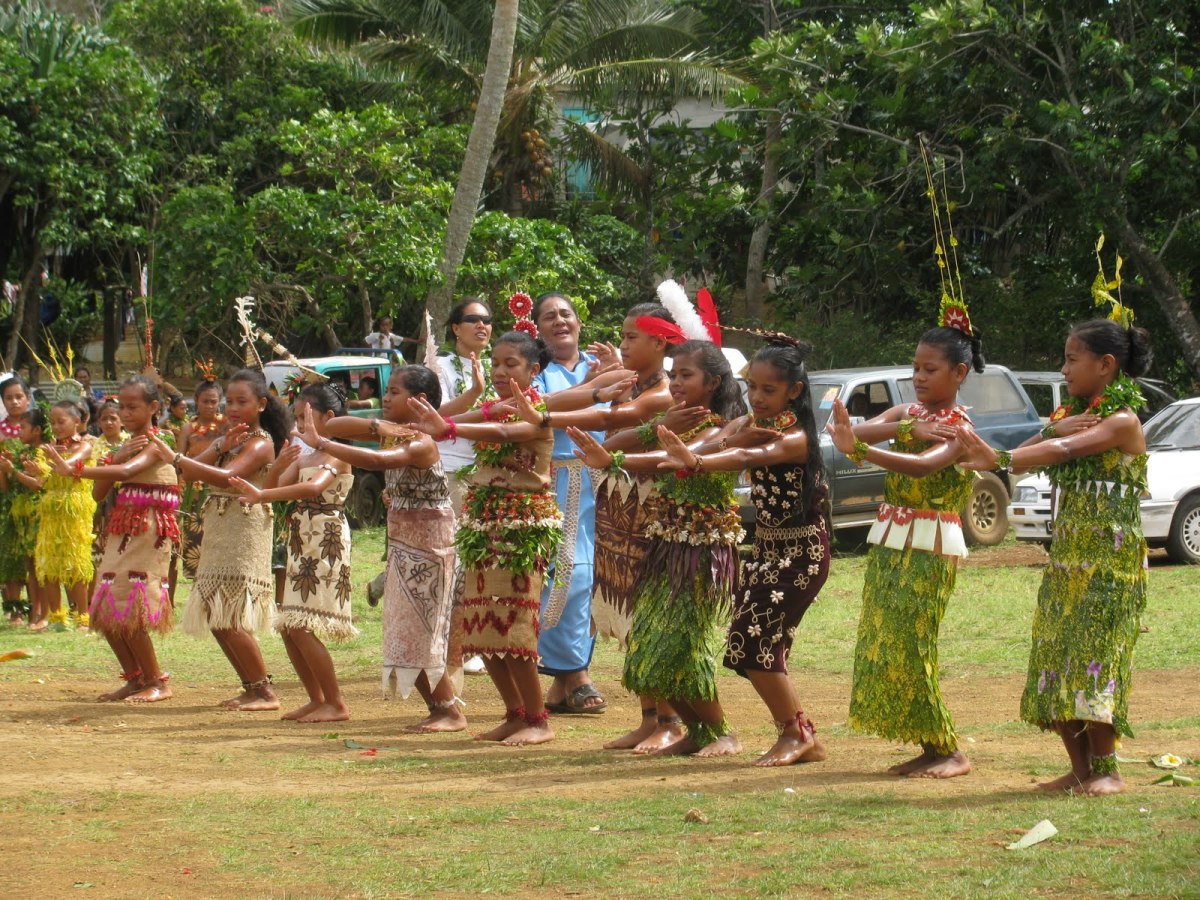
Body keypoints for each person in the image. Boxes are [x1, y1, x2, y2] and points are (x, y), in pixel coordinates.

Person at [957, 317, 1152, 795]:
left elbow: (1064, 450)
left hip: (1110, 565)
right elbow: (1047, 442)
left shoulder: (1122, 420)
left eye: (1071, 359)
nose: (1062, 369)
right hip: (1066, 561)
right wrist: (1048, 425)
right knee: (1055, 655)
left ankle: (1108, 769)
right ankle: (1081, 769)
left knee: (1093, 658)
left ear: (1106, 366)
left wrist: (999, 457)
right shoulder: (1073, 413)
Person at [509, 302, 707, 746]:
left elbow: (610, 424)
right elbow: (607, 422)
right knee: (625, 608)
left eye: (632, 337)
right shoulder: (635, 384)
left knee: (642, 614)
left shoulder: (660, 395)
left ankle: (671, 721)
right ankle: (651, 718)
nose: (623, 344)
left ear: (659, 343)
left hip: (651, 510)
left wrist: (545, 416)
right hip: (622, 504)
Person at [565, 340, 748, 757]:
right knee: (650, 646)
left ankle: (722, 732)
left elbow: (677, 459)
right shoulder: (678, 418)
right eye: (675, 374)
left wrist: (615, 461)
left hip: (703, 549)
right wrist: (612, 449)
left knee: (682, 643)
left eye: (686, 375)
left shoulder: (731, 424)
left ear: (714, 381)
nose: (677, 382)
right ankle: (697, 732)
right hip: (665, 543)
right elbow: (638, 437)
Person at [655, 335, 832, 766]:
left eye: (768, 389)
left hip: (800, 556)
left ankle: (797, 733)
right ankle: (800, 735)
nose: (756, 396)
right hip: (766, 553)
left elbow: (747, 457)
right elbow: (725, 444)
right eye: (751, 386)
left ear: (795, 390)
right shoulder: (752, 424)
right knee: (752, 645)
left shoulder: (796, 437)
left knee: (753, 644)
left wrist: (697, 462)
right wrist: (705, 447)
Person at [826, 325, 983, 779]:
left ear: (958, 373)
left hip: (932, 545)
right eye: (915, 367)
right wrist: (892, 428)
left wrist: (861, 447)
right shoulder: (911, 412)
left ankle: (950, 748)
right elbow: (866, 430)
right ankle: (930, 745)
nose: (918, 376)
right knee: (887, 640)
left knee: (915, 644)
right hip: (893, 540)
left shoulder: (961, 429)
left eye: (929, 369)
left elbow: (921, 467)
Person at [402, 330, 561, 746]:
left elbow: (505, 435)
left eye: (512, 364)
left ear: (534, 370)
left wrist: (449, 428)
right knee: (480, 627)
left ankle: (539, 719)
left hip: (522, 527)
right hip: (484, 526)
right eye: (496, 363)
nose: (502, 370)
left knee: (514, 626)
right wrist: (443, 424)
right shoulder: (496, 408)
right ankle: (515, 714)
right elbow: (471, 421)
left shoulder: (537, 412)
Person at [297, 366, 464, 732]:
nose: (385, 398)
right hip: (404, 542)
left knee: (419, 630)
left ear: (419, 401)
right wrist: (380, 427)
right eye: (386, 392)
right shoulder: (395, 434)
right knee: (402, 629)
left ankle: (449, 710)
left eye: (394, 392)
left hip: (430, 547)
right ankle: (440, 708)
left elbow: (375, 461)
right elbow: (335, 425)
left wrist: (323, 445)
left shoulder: (421, 443)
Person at [153, 369, 288, 711]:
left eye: (242, 401)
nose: (233, 407)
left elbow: (228, 478)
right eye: (231, 401)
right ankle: (251, 687)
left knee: (229, 614)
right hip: (220, 528)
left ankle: (265, 692)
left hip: (243, 531)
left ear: (261, 404)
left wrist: (177, 457)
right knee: (217, 614)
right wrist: (217, 446)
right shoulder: (231, 439)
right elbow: (188, 471)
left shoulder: (261, 442)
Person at [42, 375, 177, 702]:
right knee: (107, 602)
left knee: (130, 600)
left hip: (148, 529)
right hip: (122, 528)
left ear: (154, 407)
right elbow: (101, 491)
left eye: (134, 407)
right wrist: (114, 457)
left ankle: (156, 681)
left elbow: (127, 474)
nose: (126, 414)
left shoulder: (158, 441)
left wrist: (74, 470)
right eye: (123, 407)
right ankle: (135, 678)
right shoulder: (123, 447)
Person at [230, 383, 356, 724]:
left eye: (305, 417)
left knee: (301, 625)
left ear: (329, 418)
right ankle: (317, 699)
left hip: (325, 539)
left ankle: (335, 702)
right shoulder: (306, 455)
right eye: (296, 418)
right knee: (290, 625)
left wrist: (261, 496)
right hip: (302, 537)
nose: (298, 425)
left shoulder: (337, 453)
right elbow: (273, 487)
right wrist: (277, 466)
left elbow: (312, 488)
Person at [527, 292, 606, 714]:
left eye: (566, 313)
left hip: (607, 485)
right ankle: (576, 674)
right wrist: (597, 388)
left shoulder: (604, 367)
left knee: (596, 579)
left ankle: (562, 684)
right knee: (568, 576)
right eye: (549, 316)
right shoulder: (537, 374)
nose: (559, 320)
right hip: (562, 483)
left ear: (579, 321)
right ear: (538, 328)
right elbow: (537, 408)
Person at [32, 401, 98, 630]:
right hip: (52, 512)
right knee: (49, 562)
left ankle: (82, 616)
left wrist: (54, 459)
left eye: (62, 422)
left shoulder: (86, 446)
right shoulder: (50, 448)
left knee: (75, 563)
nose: (57, 427)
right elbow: (43, 482)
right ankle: (57, 616)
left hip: (75, 511)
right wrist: (36, 469)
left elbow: (69, 467)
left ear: (77, 422)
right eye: (54, 423)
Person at [0, 406, 51, 630]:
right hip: (25, 518)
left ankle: (45, 613)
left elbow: (38, 484)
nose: (19, 431)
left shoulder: (44, 453)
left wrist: (12, 470)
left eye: (24, 427)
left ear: (37, 430)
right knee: (31, 566)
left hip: (40, 513)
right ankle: (35, 612)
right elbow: (9, 486)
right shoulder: (26, 452)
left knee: (41, 567)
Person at [0, 375, 32, 623]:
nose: (14, 402)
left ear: (28, 398)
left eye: (18, 397)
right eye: (8, 398)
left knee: (32, 555)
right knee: (10, 554)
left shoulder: (38, 428)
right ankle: (14, 608)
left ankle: (37, 607)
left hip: (33, 498)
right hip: (6, 500)